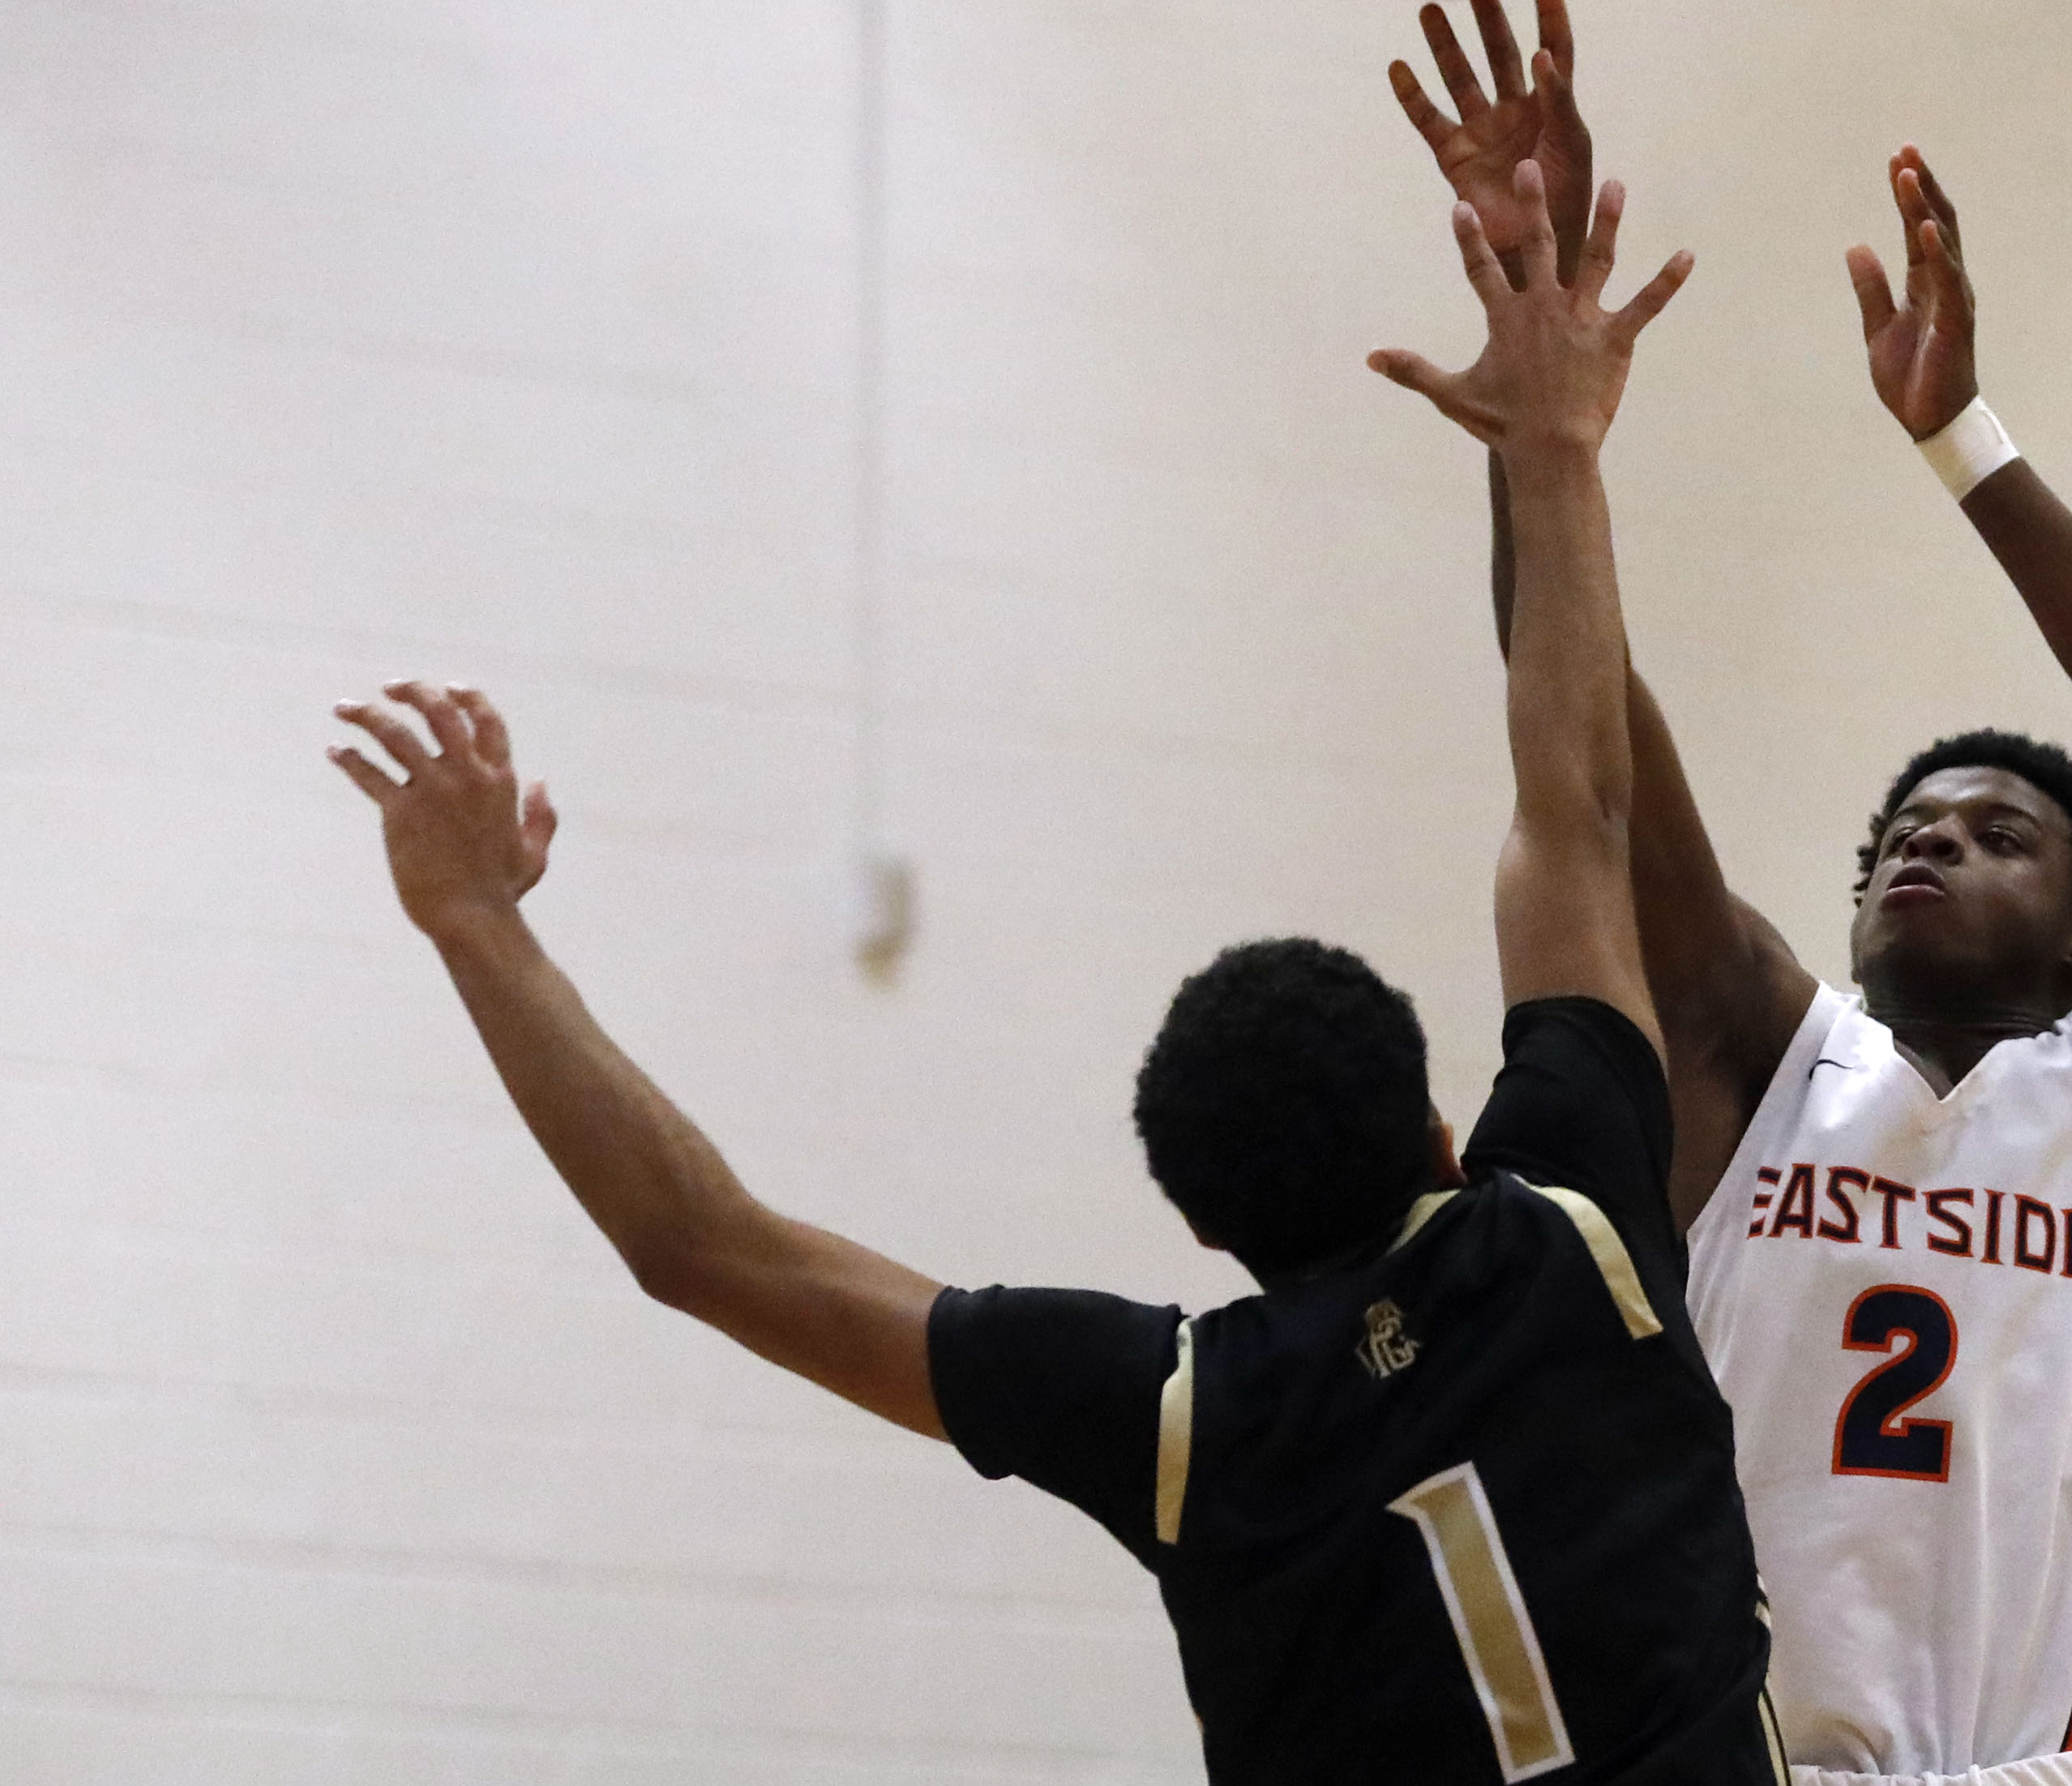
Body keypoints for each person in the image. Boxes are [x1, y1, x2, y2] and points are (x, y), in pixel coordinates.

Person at [325, 166, 1792, 1784]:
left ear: (1203, 1226)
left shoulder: (1174, 1413)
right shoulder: (1572, 1215)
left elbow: (702, 1247)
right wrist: (1555, 450)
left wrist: (479, 922)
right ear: (1446, 1128)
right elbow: (1576, 811)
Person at [1392, 0, 2072, 1786]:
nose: (1928, 840)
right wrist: (1542, 438)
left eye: (1997, 830)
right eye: (1901, 834)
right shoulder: (1760, 1046)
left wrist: (1964, 442)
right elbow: (1585, 756)